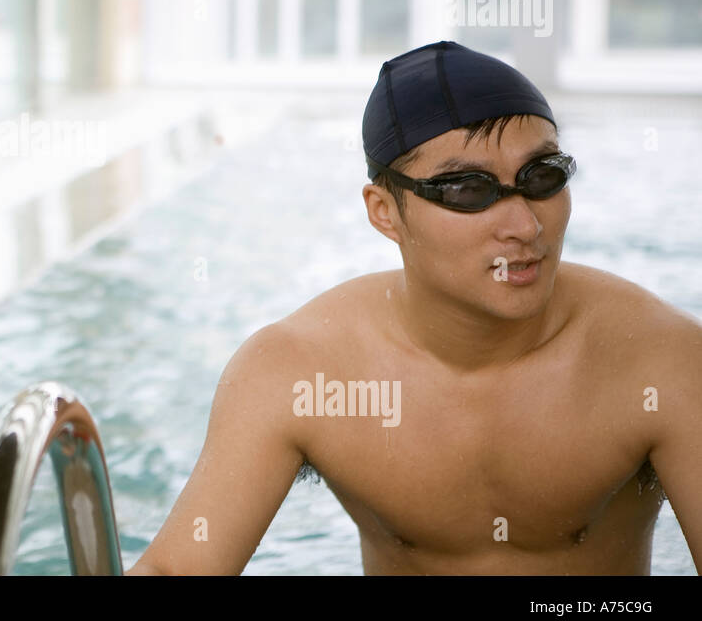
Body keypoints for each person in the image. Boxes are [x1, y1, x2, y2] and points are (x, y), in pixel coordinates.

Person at [127, 40, 701, 575]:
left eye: (542, 177)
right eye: (468, 191)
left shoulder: (661, 360)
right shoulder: (299, 371)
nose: (525, 225)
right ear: (384, 212)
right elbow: (175, 569)